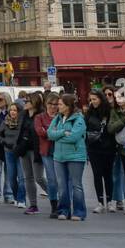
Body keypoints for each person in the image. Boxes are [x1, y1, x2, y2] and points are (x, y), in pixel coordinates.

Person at [48, 93, 88, 222]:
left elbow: (74, 137)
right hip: (59, 156)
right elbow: (50, 134)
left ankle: (79, 211)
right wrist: (62, 132)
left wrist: (58, 137)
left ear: (68, 106)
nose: (57, 107)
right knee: (62, 185)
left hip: (75, 156)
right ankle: (63, 210)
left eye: (60, 104)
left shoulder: (79, 119)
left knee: (76, 185)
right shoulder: (58, 118)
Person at [83, 89, 122, 214]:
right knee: (97, 174)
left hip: (108, 147)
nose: (93, 101)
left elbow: (112, 128)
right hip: (94, 147)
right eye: (91, 99)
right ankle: (100, 202)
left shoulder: (110, 111)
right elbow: (85, 128)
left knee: (108, 174)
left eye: (95, 99)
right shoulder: (89, 113)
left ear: (100, 99)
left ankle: (110, 201)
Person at [17, 93, 47, 215]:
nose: (25, 103)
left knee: (39, 177)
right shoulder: (22, 115)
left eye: (27, 101)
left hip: (36, 150)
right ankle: (33, 205)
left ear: (34, 103)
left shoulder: (40, 116)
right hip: (24, 149)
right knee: (27, 177)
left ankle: (56, 197)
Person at [34, 90, 61, 217]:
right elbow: (40, 132)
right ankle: (54, 205)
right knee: (51, 179)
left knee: (62, 179)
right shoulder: (39, 117)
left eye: (56, 104)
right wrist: (55, 133)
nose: (53, 106)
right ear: (46, 103)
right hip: (47, 151)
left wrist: (50, 132)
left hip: (61, 151)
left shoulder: (61, 117)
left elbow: (64, 131)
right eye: (50, 103)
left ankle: (63, 203)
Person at [0, 101, 28, 208]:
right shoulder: (5, 121)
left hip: (20, 152)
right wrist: (4, 141)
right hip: (8, 151)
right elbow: (0, 134)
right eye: (11, 110)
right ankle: (16, 197)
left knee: (21, 177)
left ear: (19, 111)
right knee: (11, 177)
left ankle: (22, 199)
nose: (12, 112)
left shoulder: (22, 122)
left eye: (15, 110)